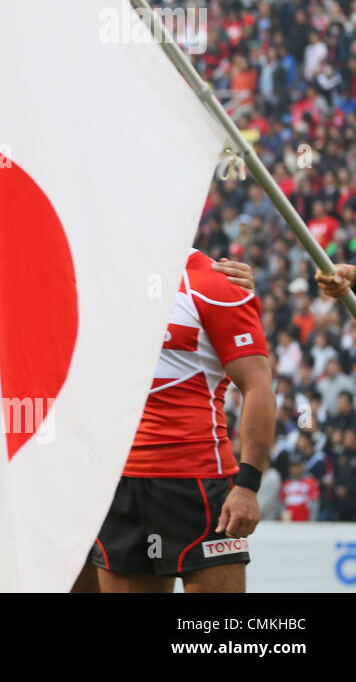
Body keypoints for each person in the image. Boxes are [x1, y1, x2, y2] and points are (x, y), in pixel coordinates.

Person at [90, 249, 275, 592]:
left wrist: (248, 485)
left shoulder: (216, 282)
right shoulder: (98, 280)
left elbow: (258, 386)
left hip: (198, 483)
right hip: (116, 483)